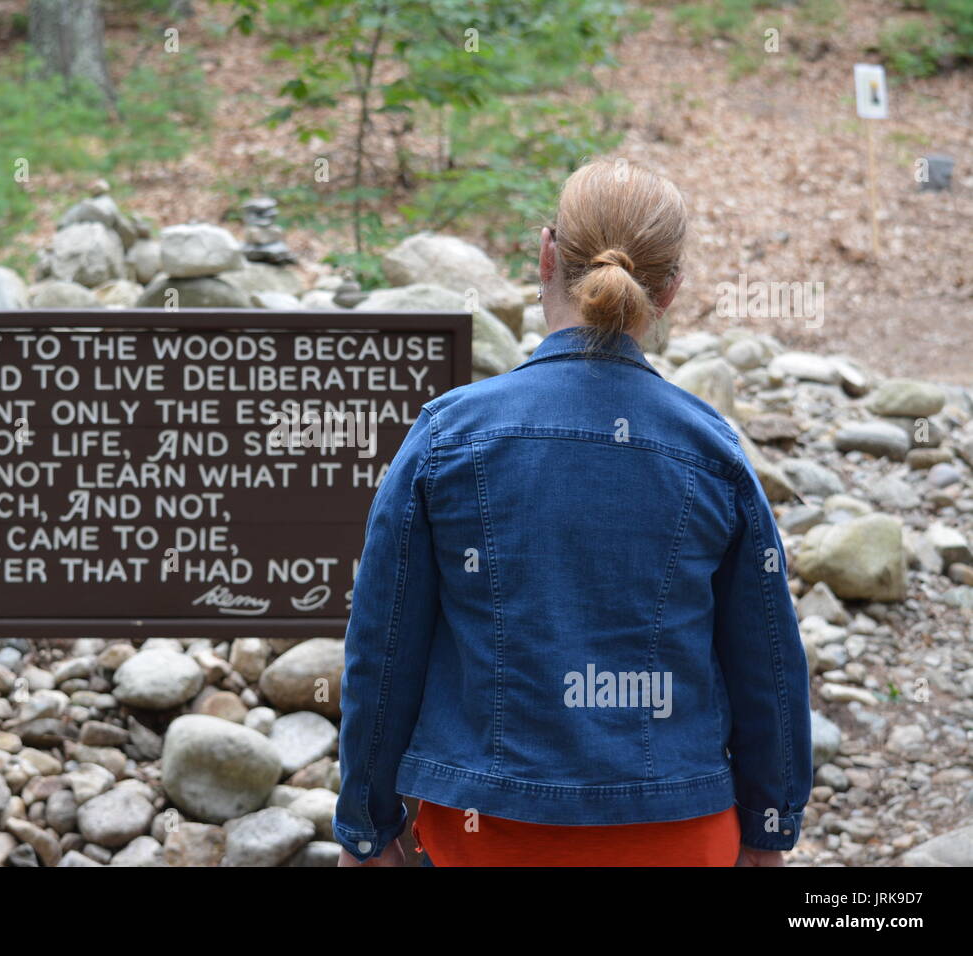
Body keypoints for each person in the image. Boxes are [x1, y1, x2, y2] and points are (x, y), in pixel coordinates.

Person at [332, 159, 813, 867]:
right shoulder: (715, 453)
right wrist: (771, 828)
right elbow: (769, 666)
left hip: (488, 835)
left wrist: (367, 829)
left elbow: (383, 647)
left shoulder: (447, 438)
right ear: (671, 290)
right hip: (680, 833)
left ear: (547, 255)